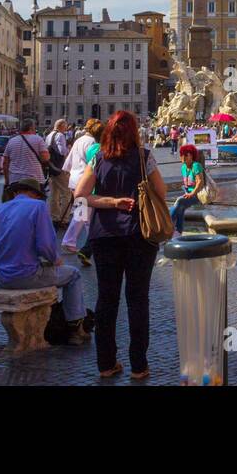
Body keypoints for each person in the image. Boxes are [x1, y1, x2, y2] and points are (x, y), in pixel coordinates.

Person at [72, 110, 171, 380]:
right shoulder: (144, 157)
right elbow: (161, 193)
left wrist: (110, 202)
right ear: (133, 132)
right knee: (138, 300)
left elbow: (80, 194)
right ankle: (139, 366)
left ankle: (106, 364)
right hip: (140, 235)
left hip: (104, 236)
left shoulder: (98, 158)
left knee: (107, 299)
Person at [0, 177, 89, 341]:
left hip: (2, 278)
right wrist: (55, 259)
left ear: (16, 193)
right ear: (34, 194)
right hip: (27, 276)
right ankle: (75, 328)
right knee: (74, 274)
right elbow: (45, 246)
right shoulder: (38, 207)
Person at [61, 118, 103, 263]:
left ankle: (72, 242)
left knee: (83, 214)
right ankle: (88, 245)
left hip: (74, 179)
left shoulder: (79, 140)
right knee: (87, 215)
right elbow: (93, 164)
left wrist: (68, 172)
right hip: (84, 181)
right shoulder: (93, 143)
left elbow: (69, 159)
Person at [3, 118, 51, 184]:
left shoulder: (11, 141)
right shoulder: (38, 139)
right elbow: (45, 158)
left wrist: (7, 180)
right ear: (31, 128)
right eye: (35, 127)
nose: (35, 129)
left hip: (15, 179)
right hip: (34, 179)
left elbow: (5, 163)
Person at [171, 144, 205, 235]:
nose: (183, 157)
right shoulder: (183, 168)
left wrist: (192, 193)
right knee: (180, 208)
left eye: (186, 155)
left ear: (192, 156)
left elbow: (200, 182)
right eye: (182, 154)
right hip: (188, 194)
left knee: (179, 201)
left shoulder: (196, 165)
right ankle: (178, 232)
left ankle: (167, 224)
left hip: (198, 195)